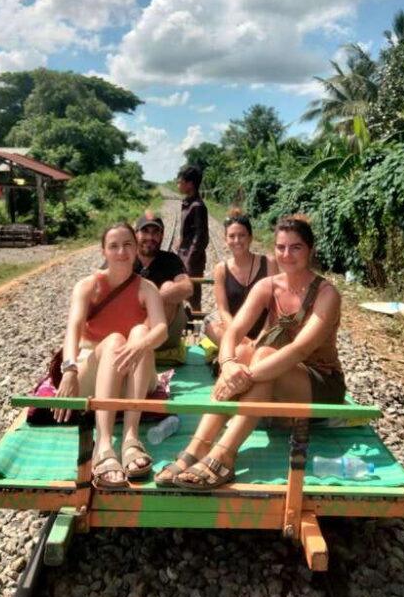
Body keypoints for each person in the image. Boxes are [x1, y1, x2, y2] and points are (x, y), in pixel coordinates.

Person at [155, 215, 346, 490]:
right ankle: (196, 448)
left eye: (296, 247)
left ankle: (224, 454)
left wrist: (245, 376)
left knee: (262, 355)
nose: (286, 254)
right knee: (245, 352)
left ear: (310, 250)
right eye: (281, 247)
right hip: (271, 375)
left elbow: (299, 349)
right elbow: (232, 331)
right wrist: (230, 365)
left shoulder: (327, 293)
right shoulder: (269, 285)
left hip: (320, 383)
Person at [54, 222, 167, 489]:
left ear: (136, 248)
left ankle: (130, 438)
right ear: (104, 251)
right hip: (94, 373)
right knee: (116, 338)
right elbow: (73, 329)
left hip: (133, 373)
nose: (121, 252)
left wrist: (142, 344)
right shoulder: (87, 286)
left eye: (127, 244)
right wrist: (69, 370)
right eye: (114, 246)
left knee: (141, 332)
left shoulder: (146, 288)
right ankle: (103, 444)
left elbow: (160, 329)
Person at [203, 208, 276, 346]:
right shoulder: (221, 269)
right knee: (209, 325)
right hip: (235, 331)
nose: (237, 240)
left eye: (242, 235)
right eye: (232, 236)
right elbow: (223, 310)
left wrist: (262, 336)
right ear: (225, 239)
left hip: (263, 330)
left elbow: (275, 307)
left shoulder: (268, 263)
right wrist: (241, 337)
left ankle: (239, 353)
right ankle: (241, 351)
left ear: (250, 237)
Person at [134, 212, 194, 351]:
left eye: (155, 232)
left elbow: (187, 287)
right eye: (145, 231)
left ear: (161, 236)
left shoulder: (170, 260)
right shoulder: (125, 259)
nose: (150, 237)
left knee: (168, 287)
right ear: (136, 234)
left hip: (164, 333)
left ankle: (140, 347)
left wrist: (154, 299)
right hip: (131, 329)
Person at [176, 165, 209, 311]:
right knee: (182, 292)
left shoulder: (197, 206)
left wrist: (189, 261)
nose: (178, 183)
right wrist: (180, 239)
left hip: (191, 258)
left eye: (180, 181)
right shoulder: (188, 203)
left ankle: (196, 323)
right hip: (183, 255)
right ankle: (184, 320)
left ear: (189, 184)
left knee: (193, 294)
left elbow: (201, 238)